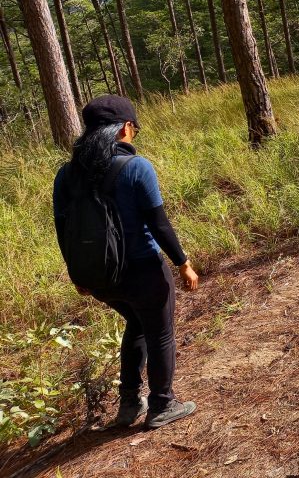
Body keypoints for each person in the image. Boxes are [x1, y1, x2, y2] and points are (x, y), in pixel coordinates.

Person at [53, 95, 199, 429]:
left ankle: (130, 403)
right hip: (143, 271)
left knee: (136, 324)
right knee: (160, 333)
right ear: (124, 128)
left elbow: (64, 230)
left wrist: (78, 275)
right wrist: (183, 263)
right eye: (134, 128)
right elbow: (159, 224)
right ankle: (163, 404)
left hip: (101, 278)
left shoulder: (66, 175)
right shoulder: (136, 167)